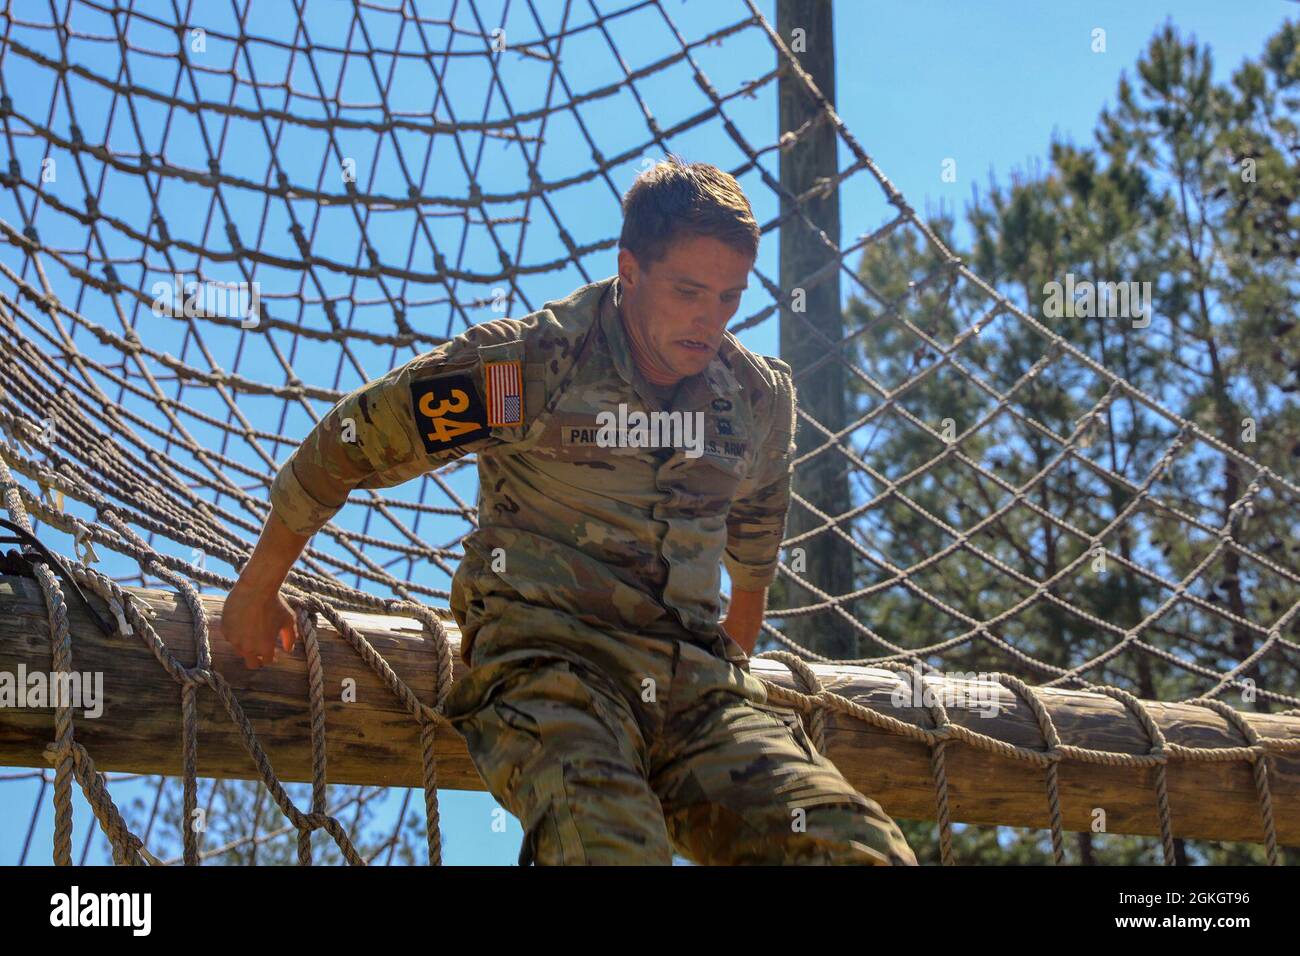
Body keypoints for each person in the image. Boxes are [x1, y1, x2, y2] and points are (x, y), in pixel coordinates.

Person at [221, 156, 917, 866]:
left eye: (730, 299)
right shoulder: (532, 372)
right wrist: (258, 587)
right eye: (688, 292)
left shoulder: (752, 398)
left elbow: (758, 532)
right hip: (549, 668)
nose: (710, 320)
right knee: (608, 848)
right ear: (630, 269)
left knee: (855, 849)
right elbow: (353, 439)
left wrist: (729, 667)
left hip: (693, 690)